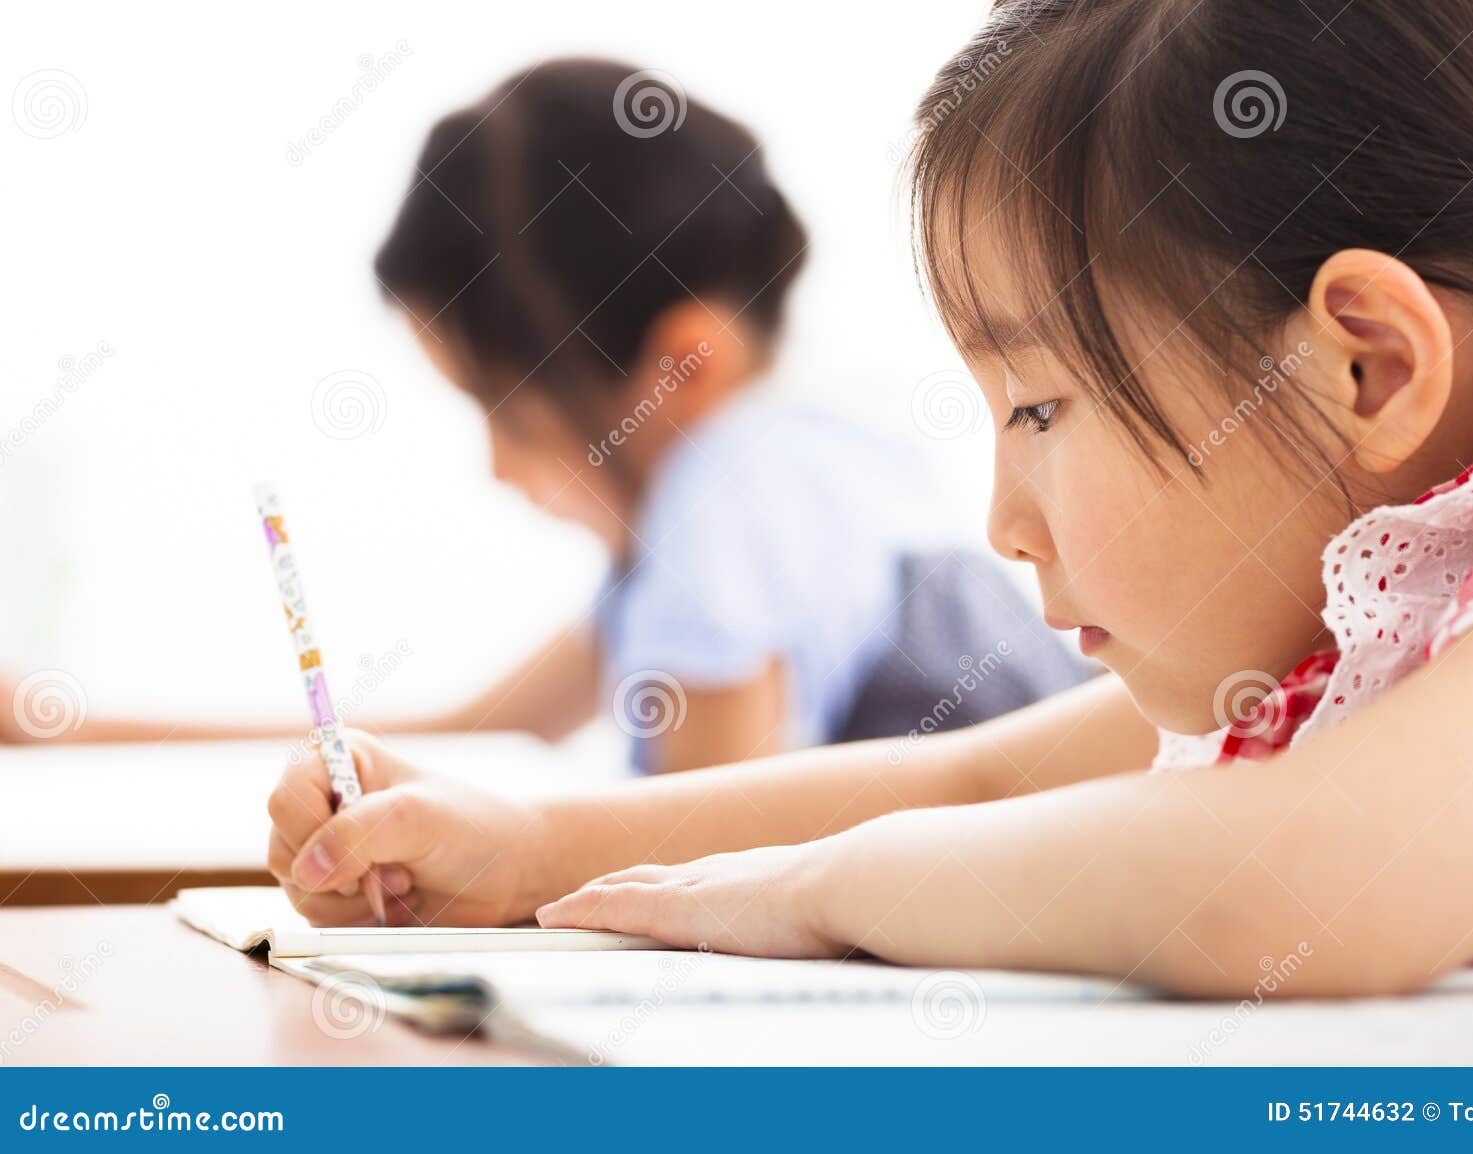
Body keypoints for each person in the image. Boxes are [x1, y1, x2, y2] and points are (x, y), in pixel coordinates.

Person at [271, 1, 1473, 996]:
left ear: (1365, 366)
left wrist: (825, 890)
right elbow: (972, 776)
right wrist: (526, 846)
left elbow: (1294, 885)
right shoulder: (1342, 635)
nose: (1001, 525)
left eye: (1040, 410)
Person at [2, 58, 1090, 772]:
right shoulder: (810, 465)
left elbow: (699, 855)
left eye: (508, 413)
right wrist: (64, 730)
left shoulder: (728, 505)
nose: (496, 466)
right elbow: (474, 735)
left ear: (683, 366)